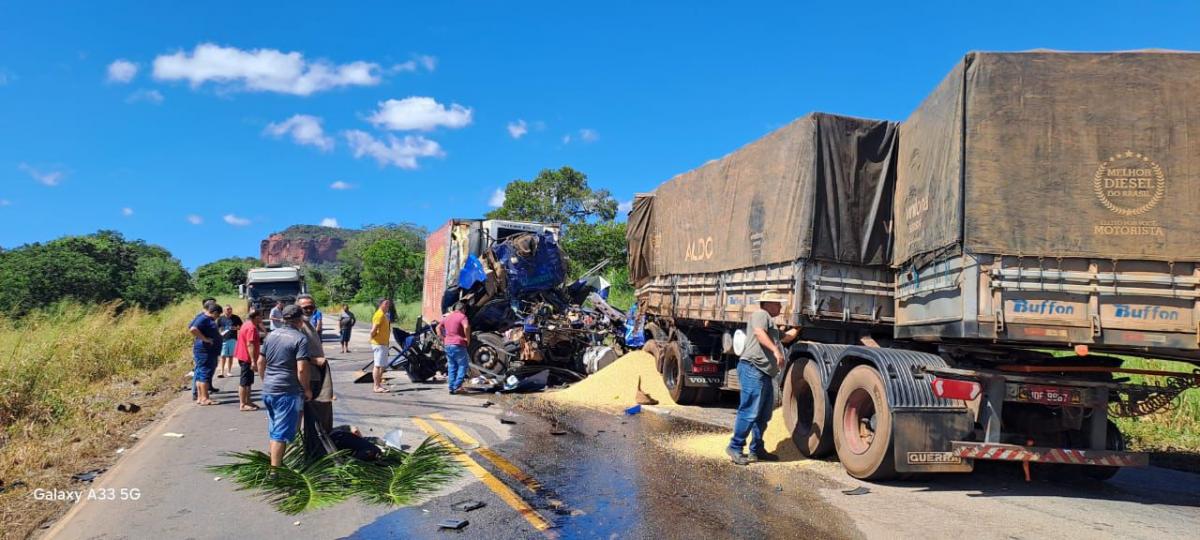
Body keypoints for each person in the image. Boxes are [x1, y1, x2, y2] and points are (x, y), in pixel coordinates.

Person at [727, 290, 799, 465]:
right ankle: (735, 447)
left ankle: (756, 450)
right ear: (767, 304)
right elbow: (759, 333)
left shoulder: (772, 325)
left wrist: (798, 328)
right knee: (750, 410)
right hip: (753, 368)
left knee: (764, 414)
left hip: (765, 373)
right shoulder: (760, 314)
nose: (780, 306)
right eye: (777, 303)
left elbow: (787, 338)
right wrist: (775, 351)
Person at [258, 305, 311, 467]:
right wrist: (306, 389)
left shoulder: (271, 336)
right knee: (281, 433)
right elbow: (302, 369)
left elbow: (261, 362)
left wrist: (265, 381)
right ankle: (276, 471)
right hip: (287, 391)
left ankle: (278, 460)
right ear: (300, 320)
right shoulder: (300, 339)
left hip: (269, 390)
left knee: (276, 429)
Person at [296, 294, 333, 458]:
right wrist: (315, 360)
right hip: (309, 378)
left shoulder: (308, 323)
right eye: (305, 307)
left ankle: (316, 450)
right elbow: (296, 355)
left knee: (318, 416)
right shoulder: (299, 327)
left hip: (317, 375)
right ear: (298, 308)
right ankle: (312, 453)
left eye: (311, 306)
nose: (309, 309)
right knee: (312, 417)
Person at [188, 302, 224, 406]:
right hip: (205, 351)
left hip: (206, 351)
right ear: (215, 312)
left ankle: (200, 397)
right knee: (205, 373)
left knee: (200, 373)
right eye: (218, 315)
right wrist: (205, 339)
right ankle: (205, 398)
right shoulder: (204, 318)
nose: (217, 317)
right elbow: (193, 329)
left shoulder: (203, 318)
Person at [234, 309, 263, 411]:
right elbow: (250, 344)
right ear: (256, 317)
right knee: (244, 382)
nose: (262, 318)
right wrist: (253, 361)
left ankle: (248, 401)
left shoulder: (248, 324)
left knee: (249, 381)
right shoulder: (251, 328)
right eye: (260, 316)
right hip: (246, 358)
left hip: (244, 356)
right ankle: (243, 404)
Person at [441, 303, 471, 395]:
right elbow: (466, 327)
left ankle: (451, 387)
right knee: (463, 365)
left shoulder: (447, 317)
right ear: (463, 309)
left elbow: (438, 327)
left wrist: (443, 338)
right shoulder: (462, 316)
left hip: (447, 344)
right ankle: (457, 386)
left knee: (452, 366)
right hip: (458, 344)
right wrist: (467, 339)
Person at [369, 299, 393, 393]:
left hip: (383, 343)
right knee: (378, 365)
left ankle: (378, 384)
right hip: (379, 344)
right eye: (386, 304)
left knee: (382, 365)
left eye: (388, 304)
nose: (388, 305)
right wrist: (373, 337)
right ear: (380, 304)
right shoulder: (379, 315)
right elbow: (373, 330)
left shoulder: (384, 315)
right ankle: (376, 386)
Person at [218, 305, 238, 378]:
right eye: (227, 309)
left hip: (233, 339)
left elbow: (241, 326)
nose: (229, 310)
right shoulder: (220, 318)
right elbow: (217, 328)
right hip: (223, 339)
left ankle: (229, 371)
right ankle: (221, 372)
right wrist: (220, 333)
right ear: (224, 311)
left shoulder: (236, 317)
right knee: (223, 356)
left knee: (230, 356)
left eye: (230, 309)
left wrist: (236, 327)